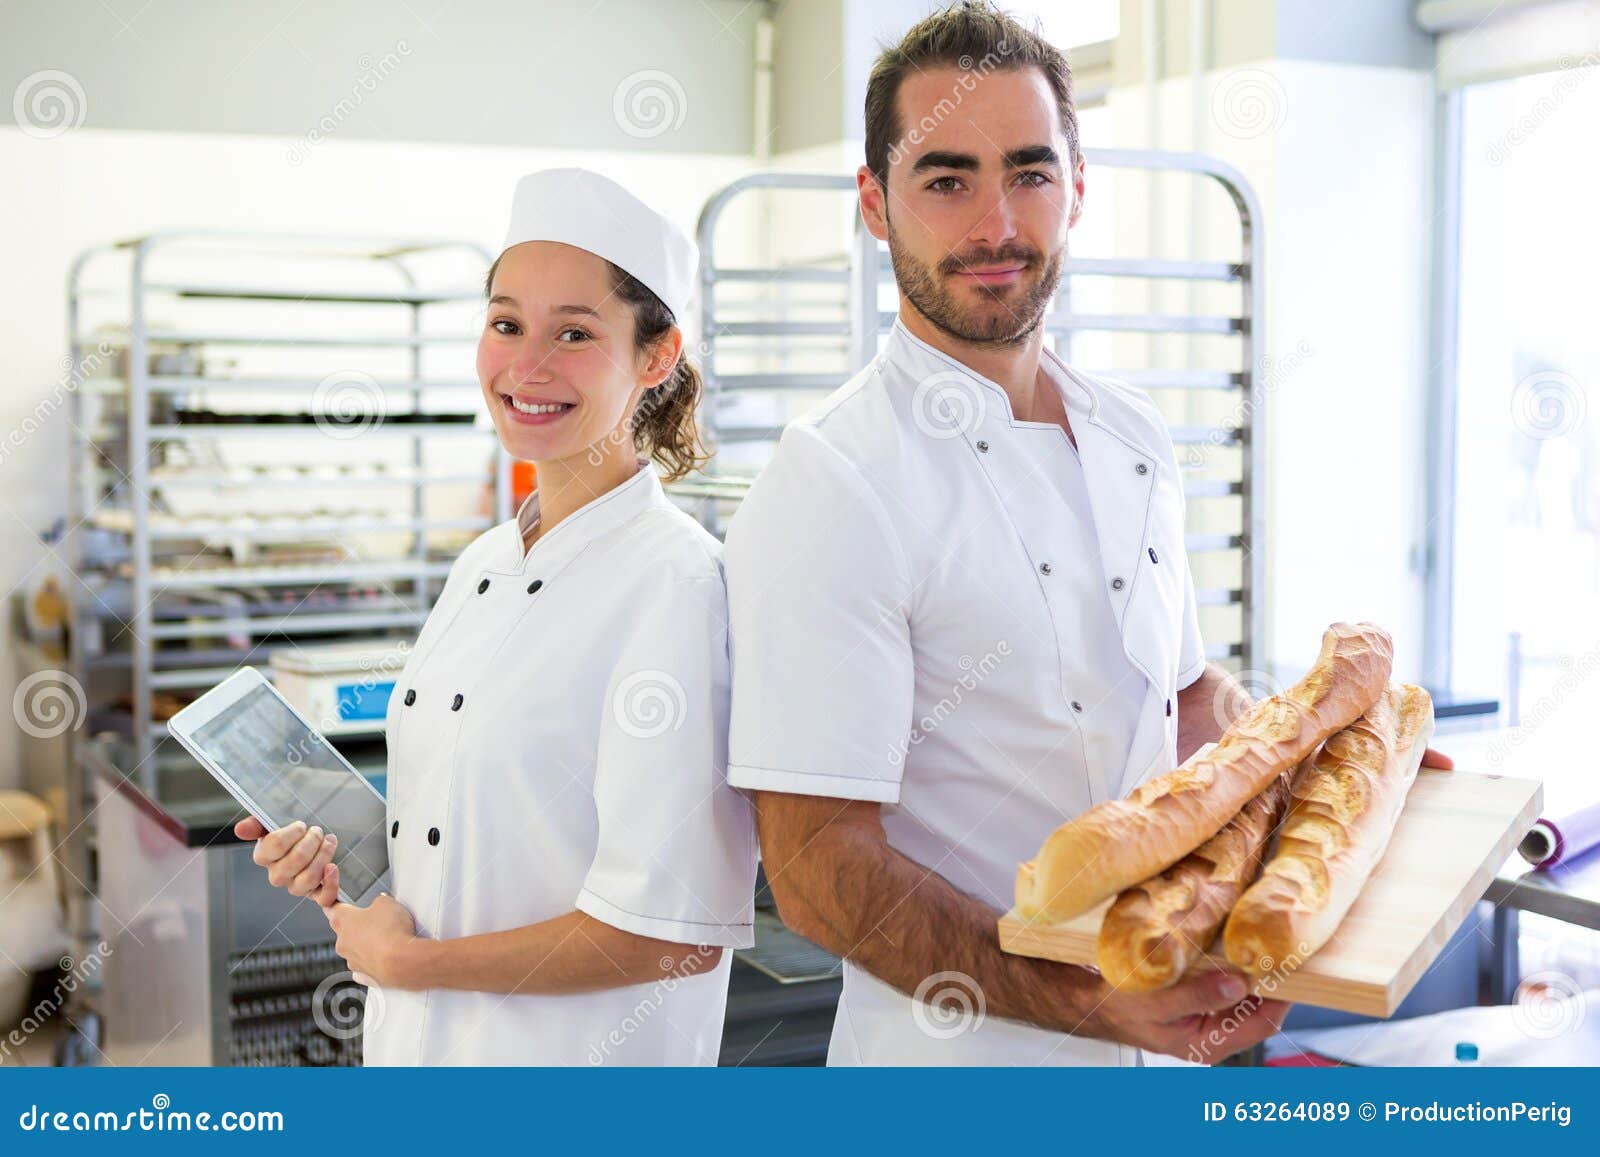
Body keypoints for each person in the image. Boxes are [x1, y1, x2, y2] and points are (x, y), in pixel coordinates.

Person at [721, 1, 1451, 1066]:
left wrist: (1336, 763)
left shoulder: (1133, 435)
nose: (995, 225)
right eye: (945, 179)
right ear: (875, 205)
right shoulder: (831, 480)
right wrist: (1083, 1000)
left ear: (1076, 188)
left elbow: (1189, 705)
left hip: (1159, 1054)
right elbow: (820, 868)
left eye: (1028, 172)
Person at [237, 167, 757, 1066]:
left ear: (657, 356)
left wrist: (417, 962)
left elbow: (675, 932)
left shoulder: (677, 588)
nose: (528, 366)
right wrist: (343, 872)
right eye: (507, 323)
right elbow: (451, 846)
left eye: (575, 334)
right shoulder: (483, 562)